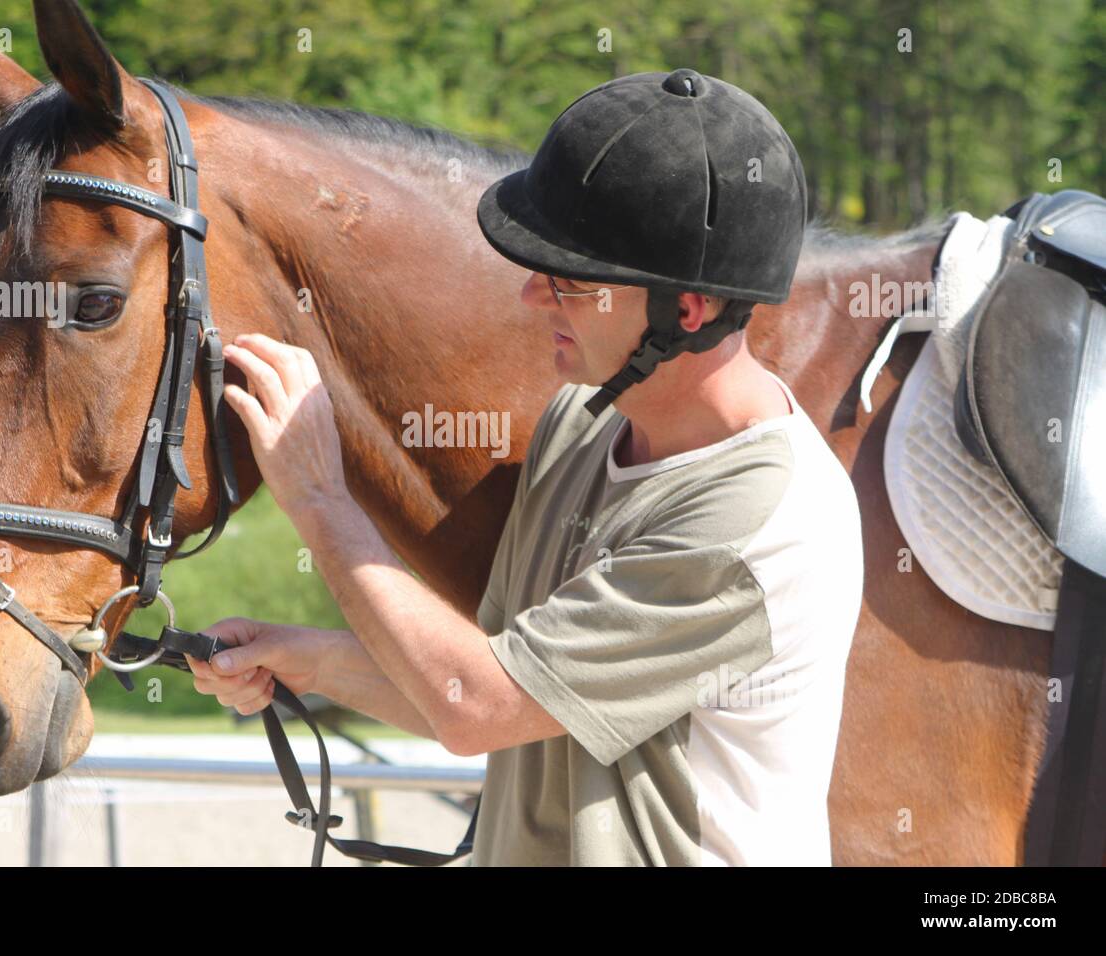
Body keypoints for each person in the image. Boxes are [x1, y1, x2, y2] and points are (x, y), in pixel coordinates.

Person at [189, 69, 863, 865]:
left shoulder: (757, 523)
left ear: (686, 311)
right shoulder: (581, 426)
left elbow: (476, 705)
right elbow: (503, 677)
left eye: (571, 284)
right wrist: (298, 655)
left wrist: (319, 498)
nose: (533, 300)